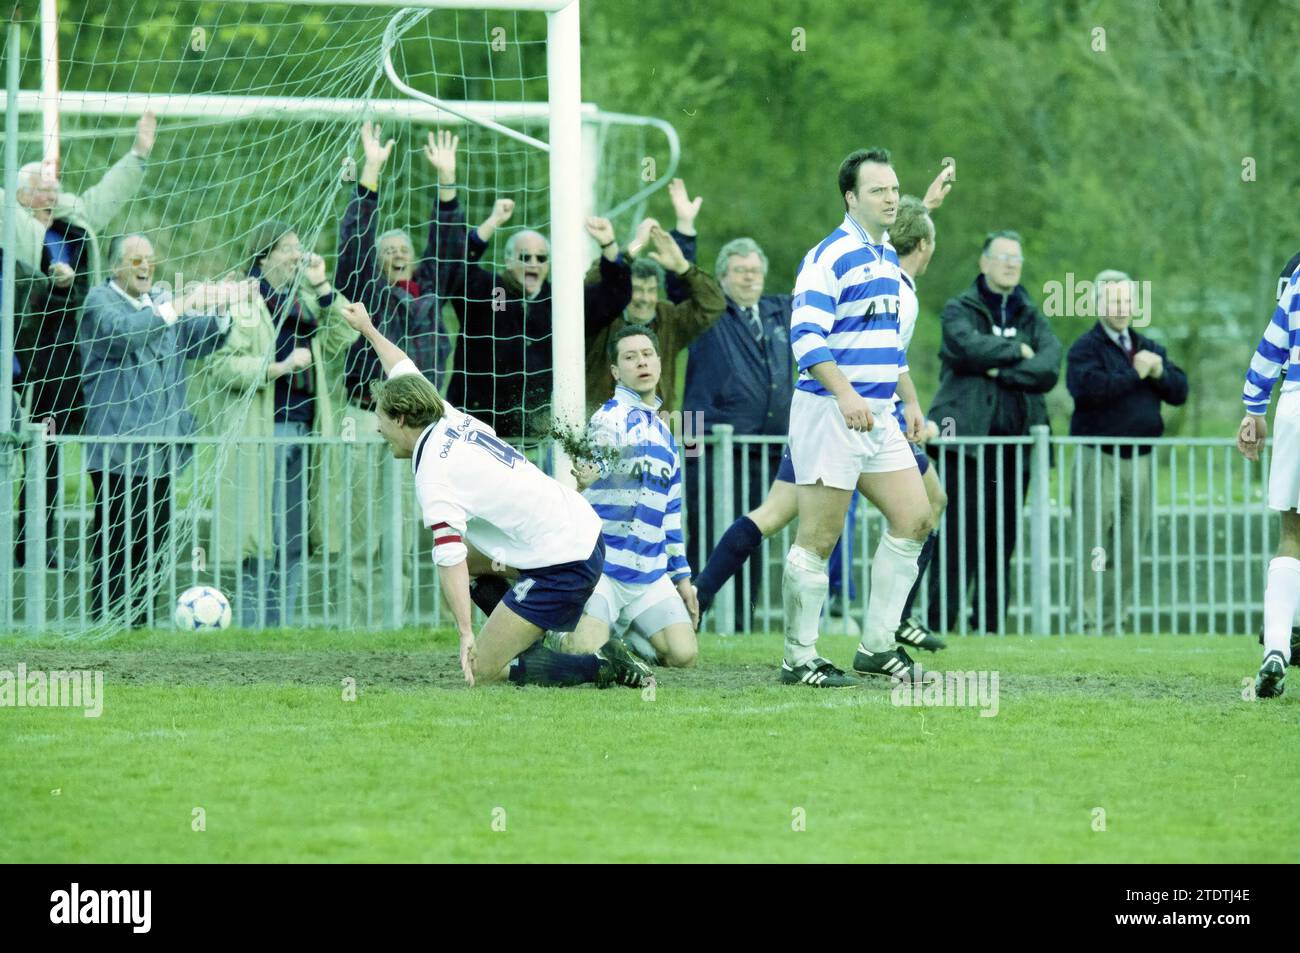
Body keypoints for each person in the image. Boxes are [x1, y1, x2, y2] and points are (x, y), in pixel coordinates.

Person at [691, 181, 954, 654]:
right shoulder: (878, 278)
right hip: (847, 418)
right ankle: (844, 637)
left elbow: (887, 352)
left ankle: (701, 592)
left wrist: (928, 206)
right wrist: (893, 405)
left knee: (779, 515)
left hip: (856, 417)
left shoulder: (881, 263)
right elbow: (852, 350)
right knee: (866, 521)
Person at [339, 301, 653, 689]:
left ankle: (601, 665)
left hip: (565, 559)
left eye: (382, 420)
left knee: (483, 670)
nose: (378, 429)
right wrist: (368, 329)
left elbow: (448, 559)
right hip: (581, 529)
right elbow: (401, 366)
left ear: (401, 418)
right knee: (471, 561)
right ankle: (530, 635)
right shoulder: (443, 413)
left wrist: (465, 634)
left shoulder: (434, 474)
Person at [780, 147, 934, 687]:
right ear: (851, 198)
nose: (891, 198)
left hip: (878, 415)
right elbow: (805, 338)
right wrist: (846, 394)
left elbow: (890, 346)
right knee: (819, 538)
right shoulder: (829, 256)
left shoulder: (887, 256)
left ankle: (876, 646)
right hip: (830, 412)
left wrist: (909, 401)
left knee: (916, 518)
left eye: (894, 188)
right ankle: (799, 657)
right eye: (878, 190)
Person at [7, 113, 157, 567]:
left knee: (100, 450)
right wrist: (50, 279)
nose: (50, 195)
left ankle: (109, 543)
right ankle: (34, 543)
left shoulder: (73, 221)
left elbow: (105, 194)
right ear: (20, 194)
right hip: (39, 358)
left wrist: (138, 154)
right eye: (41, 189)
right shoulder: (12, 223)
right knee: (44, 450)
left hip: (83, 356)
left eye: (54, 188)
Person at [192, 222, 358, 627]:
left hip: (308, 431)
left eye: (299, 247)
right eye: (288, 248)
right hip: (263, 431)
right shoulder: (242, 301)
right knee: (259, 538)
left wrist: (323, 286)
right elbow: (218, 367)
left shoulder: (307, 301)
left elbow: (344, 336)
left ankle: (280, 624)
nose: (298, 255)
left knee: (295, 537)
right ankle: (253, 625)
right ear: (264, 256)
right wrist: (276, 367)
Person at [78, 233, 241, 623]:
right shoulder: (99, 302)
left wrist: (223, 306)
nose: (145, 267)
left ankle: (143, 624)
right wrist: (182, 303)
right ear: (115, 267)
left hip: (161, 451)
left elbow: (200, 338)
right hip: (119, 451)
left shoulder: (161, 304)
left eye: (149, 259)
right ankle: (109, 624)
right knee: (118, 544)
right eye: (136, 260)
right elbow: (127, 333)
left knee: (154, 545)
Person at [429, 132, 631, 439]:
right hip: (474, 428)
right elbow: (454, 264)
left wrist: (609, 245)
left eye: (541, 257)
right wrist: (492, 223)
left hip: (533, 435)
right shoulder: (488, 290)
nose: (533, 263)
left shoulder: (561, 301)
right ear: (508, 260)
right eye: (525, 257)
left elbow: (616, 295)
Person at [334, 122, 455, 625]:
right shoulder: (370, 294)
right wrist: (371, 173)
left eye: (404, 249)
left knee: (404, 529)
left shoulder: (429, 296)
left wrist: (446, 183)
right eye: (388, 250)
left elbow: (448, 247)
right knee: (362, 528)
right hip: (369, 418)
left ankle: (396, 623)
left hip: (419, 427)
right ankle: (359, 622)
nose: (398, 254)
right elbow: (354, 245)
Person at [925, 230, 1061, 634]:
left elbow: (1049, 367)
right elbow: (965, 347)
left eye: (1016, 259)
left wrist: (998, 369)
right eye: (1003, 257)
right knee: (956, 537)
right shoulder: (959, 308)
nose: (1010, 265)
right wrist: (1017, 352)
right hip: (963, 445)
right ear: (984, 262)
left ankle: (989, 626)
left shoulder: (1031, 315)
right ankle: (939, 623)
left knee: (1001, 540)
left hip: (1015, 450)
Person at [562, 325, 700, 668]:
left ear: (659, 363)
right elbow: (603, 450)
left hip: (648, 571)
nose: (641, 362)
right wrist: (593, 470)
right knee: (583, 653)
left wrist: (682, 578)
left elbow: (671, 516)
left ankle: (622, 634)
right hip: (603, 568)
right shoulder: (609, 418)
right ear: (615, 371)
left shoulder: (667, 435)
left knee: (683, 654)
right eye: (630, 357)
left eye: (648, 354)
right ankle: (556, 633)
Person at [680, 236, 795, 619]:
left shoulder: (778, 312)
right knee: (705, 531)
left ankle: (743, 622)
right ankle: (687, 618)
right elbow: (682, 284)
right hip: (710, 447)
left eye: (755, 271)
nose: (749, 278)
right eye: (740, 271)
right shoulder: (709, 313)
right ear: (722, 278)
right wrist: (684, 235)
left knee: (754, 536)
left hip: (766, 450)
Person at [1066, 271, 1188, 633]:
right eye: (1113, 301)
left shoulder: (1148, 347)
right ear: (1098, 304)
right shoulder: (1085, 349)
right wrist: (1135, 374)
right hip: (1098, 457)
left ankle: (1114, 621)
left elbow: (1179, 392)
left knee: (1130, 544)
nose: (1120, 308)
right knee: (1093, 544)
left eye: (1126, 301)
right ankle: (1085, 622)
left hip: (1141, 460)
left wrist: (1159, 372)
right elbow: (1089, 390)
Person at [584, 180, 725, 416]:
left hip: (655, 428)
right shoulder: (603, 317)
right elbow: (594, 282)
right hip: (602, 428)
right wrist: (635, 247)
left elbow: (714, 304)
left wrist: (682, 266)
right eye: (637, 290)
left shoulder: (670, 319)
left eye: (651, 290)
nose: (644, 298)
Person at [1238, 263, 1300, 698]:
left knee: (1292, 533)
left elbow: (1272, 343)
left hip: (1295, 405)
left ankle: (1276, 648)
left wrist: (1254, 408)